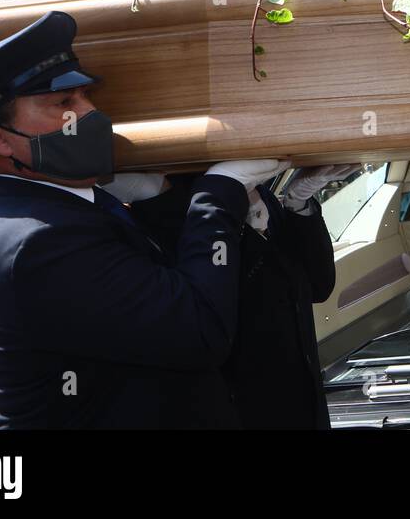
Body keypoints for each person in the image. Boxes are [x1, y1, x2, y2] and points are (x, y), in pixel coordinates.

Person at [0, 10, 287, 428]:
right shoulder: (38, 240)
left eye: (85, 97)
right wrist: (217, 197)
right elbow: (198, 331)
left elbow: (170, 279)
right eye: (64, 103)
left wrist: (166, 202)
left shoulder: (68, 204)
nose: (90, 113)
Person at [127, 164, 350, 429]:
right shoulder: (169, 209)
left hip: (302, 400)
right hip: (243, 409)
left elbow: (317, 285)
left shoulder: (263, 194)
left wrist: (298, 203)